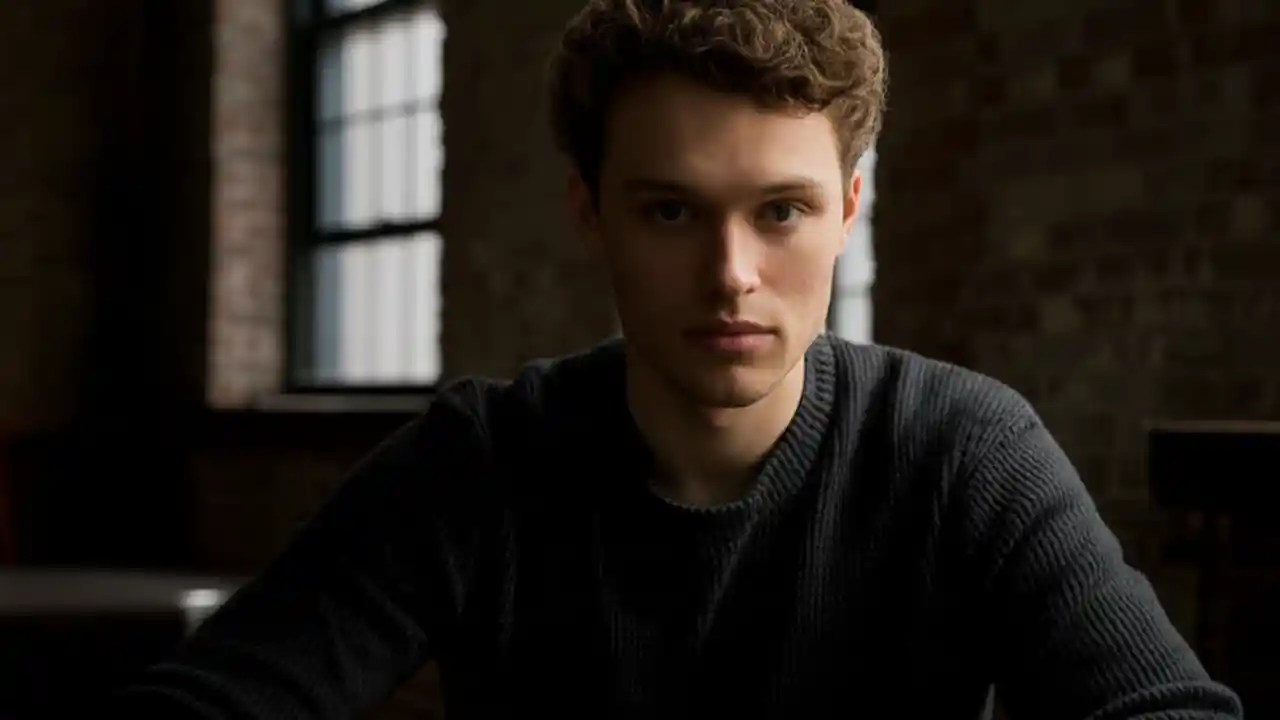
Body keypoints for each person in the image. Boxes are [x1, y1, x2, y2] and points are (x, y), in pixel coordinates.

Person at [112, 0, 1243, 717]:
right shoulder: (478, 465)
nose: (729, 273)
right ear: (589, 211)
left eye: (782, 212)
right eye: (668, 213)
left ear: (849, 207)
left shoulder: (961, 448)